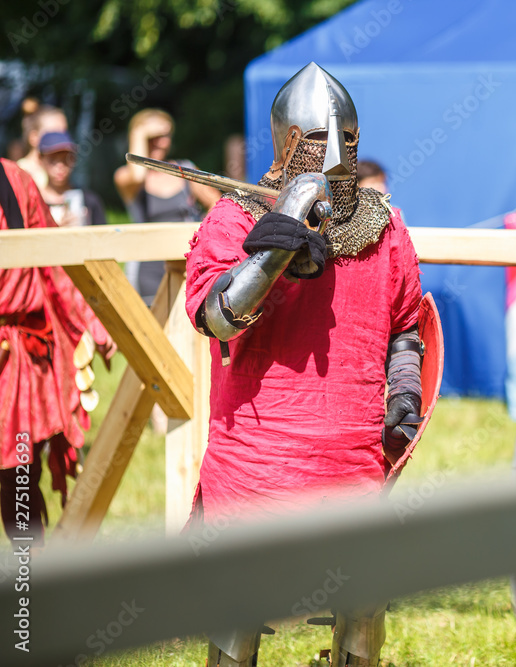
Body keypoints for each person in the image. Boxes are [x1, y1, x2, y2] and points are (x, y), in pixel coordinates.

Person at [184, 62, 423, 667]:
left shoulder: (382, 225)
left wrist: (404, 391)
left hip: (350, 462)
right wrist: (277, 241)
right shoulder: (236, 219)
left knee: (362, 613)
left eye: (349, 142)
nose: (337, 157)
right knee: (237, 613)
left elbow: (403, 323)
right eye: (319, 142)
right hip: (256, 464)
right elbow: (213, 316)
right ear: (288, 142)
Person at [0, 157, 115, 547]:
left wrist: (93, 318)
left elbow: (55, 264)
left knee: (19, 471)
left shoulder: (14, 180)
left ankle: (28, 583)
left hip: (16, 360)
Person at [114, 109, 220, 304]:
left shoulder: (184, 169)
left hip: (190, 264)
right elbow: (138, 175)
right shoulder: (125, 177)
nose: (161, 142)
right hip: (147, 269)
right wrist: (139, 132)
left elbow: (217, 204)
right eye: (153, 137)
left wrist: (202, 235)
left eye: (165, 136)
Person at [37, 131, 108, 227]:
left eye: (66, 159)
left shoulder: (90, 201)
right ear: (40, 159)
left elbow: (103, 236)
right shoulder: (34, 202)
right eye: (52, 160)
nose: (60, 166)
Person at [17, 103, 68, 191]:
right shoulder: (18, 174)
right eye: (53, 133)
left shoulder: (63, 172)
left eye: (64, 133)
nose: (61, 139)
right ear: (34, 138)